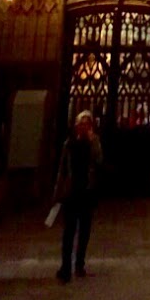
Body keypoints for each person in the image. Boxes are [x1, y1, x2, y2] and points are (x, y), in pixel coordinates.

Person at [54, 110, 103, 283]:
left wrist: (92, 142)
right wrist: (57, 190)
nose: (84, 127)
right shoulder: (69, 144)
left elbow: (99, 160)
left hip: (86, 191)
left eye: (87, 124)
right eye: (81, 124)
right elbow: (62, 168)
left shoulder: (93, 142)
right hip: (71, 192)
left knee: (84, 231)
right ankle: (65, 266)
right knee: (69, 231)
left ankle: (79, 264)